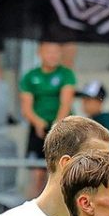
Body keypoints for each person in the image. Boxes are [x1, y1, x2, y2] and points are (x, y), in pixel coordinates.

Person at [19, 41, 78, 180]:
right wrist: (38, 122)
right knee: (37, 173)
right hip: (38, 127)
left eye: (56, 52)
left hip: (61, 127)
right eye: (49, 52)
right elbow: (26, 108)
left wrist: (56, 127)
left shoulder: (66, 74)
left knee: (62, 171)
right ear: (39, 53)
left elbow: (66, 102)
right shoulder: (30, 76)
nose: (53, 56)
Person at [75, 81, 109, 153]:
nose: (83, 102)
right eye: (83, 98)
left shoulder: (107, 118)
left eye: (88, 99)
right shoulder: (87, 120)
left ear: (100, 101)